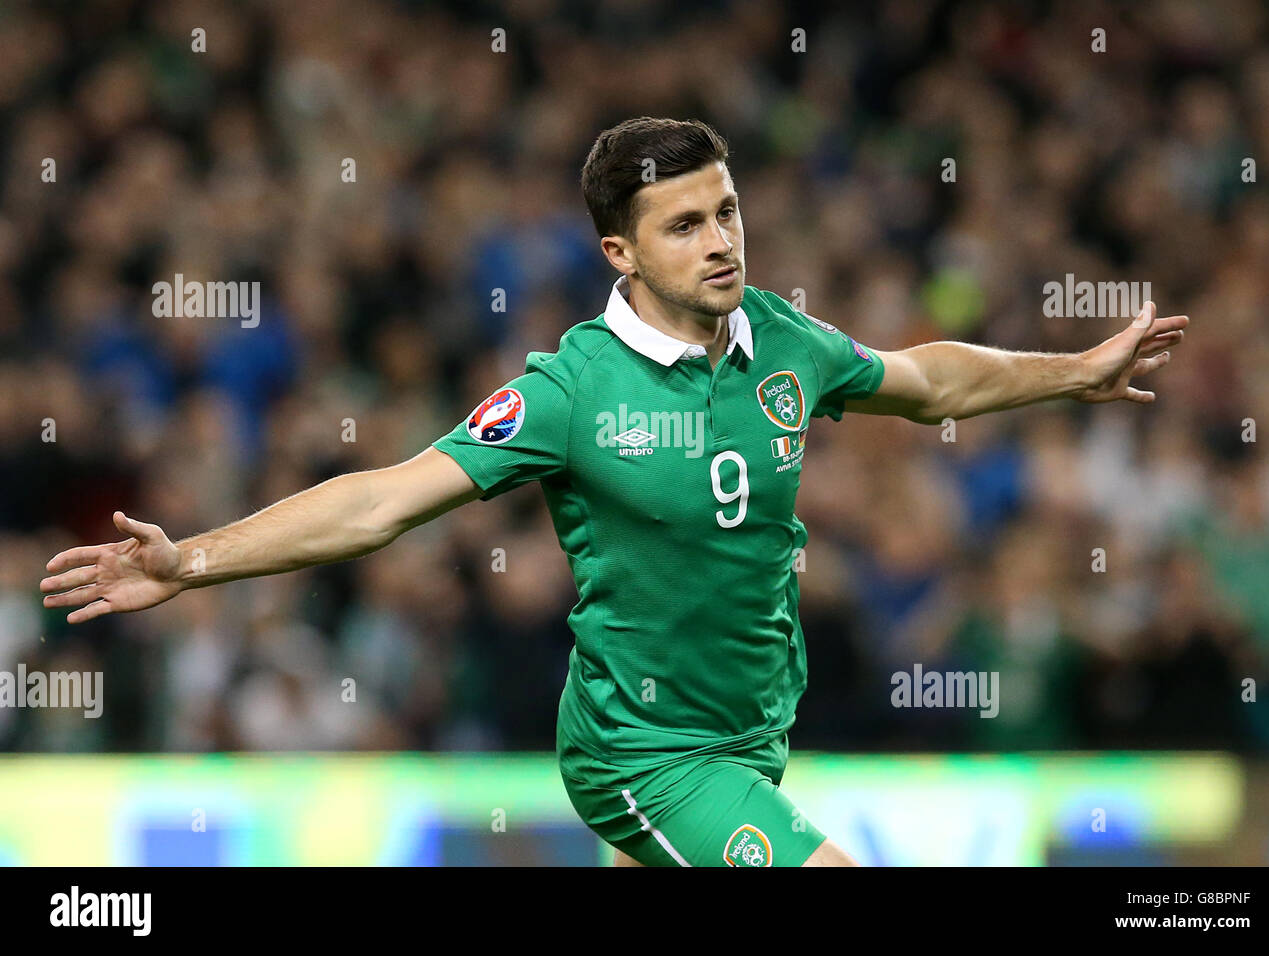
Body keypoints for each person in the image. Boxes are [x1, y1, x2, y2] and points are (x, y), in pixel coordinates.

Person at [40, 116, 1189, 866]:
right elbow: (383, 499)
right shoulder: (569, 393)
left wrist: (1071, 372)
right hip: (642, 752)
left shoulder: (780, 336)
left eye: (726, 210)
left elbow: (928, 382)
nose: (721, 241)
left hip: (753, 730)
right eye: (684, 224)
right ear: (619, 254)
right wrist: (187, 558)